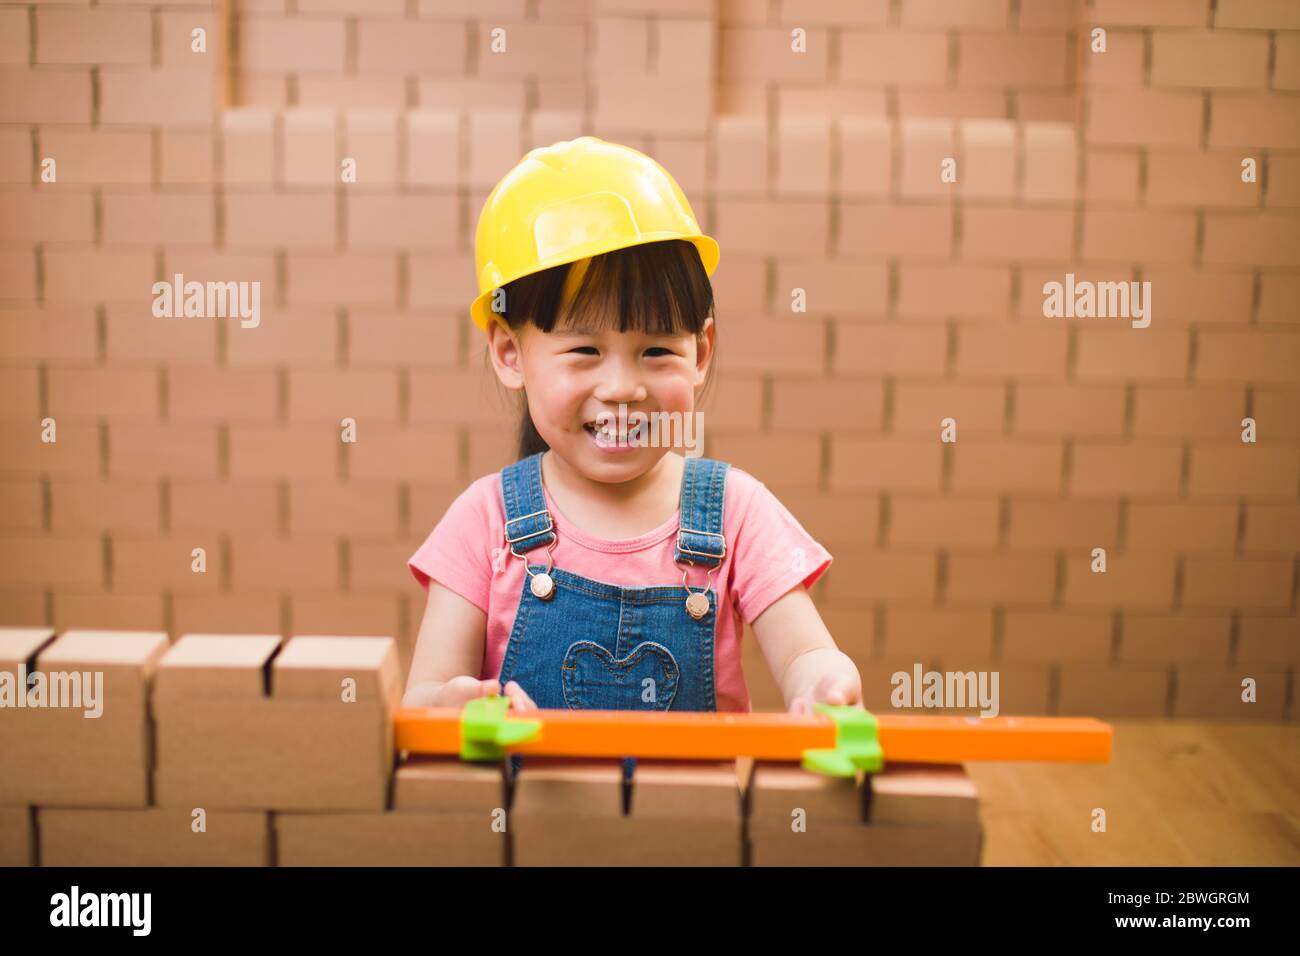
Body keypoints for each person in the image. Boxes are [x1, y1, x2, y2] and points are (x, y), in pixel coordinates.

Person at [404, 136, 861, 727]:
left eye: (655, 349)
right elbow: (422, 701)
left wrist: (825, 681)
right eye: (585, 349)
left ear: (701, 351)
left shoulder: (737, 514)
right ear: (510, 352)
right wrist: (450, 704)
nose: (622, 386)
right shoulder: (483, 521)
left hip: (692, 820)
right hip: (524, 820)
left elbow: (807, 653)